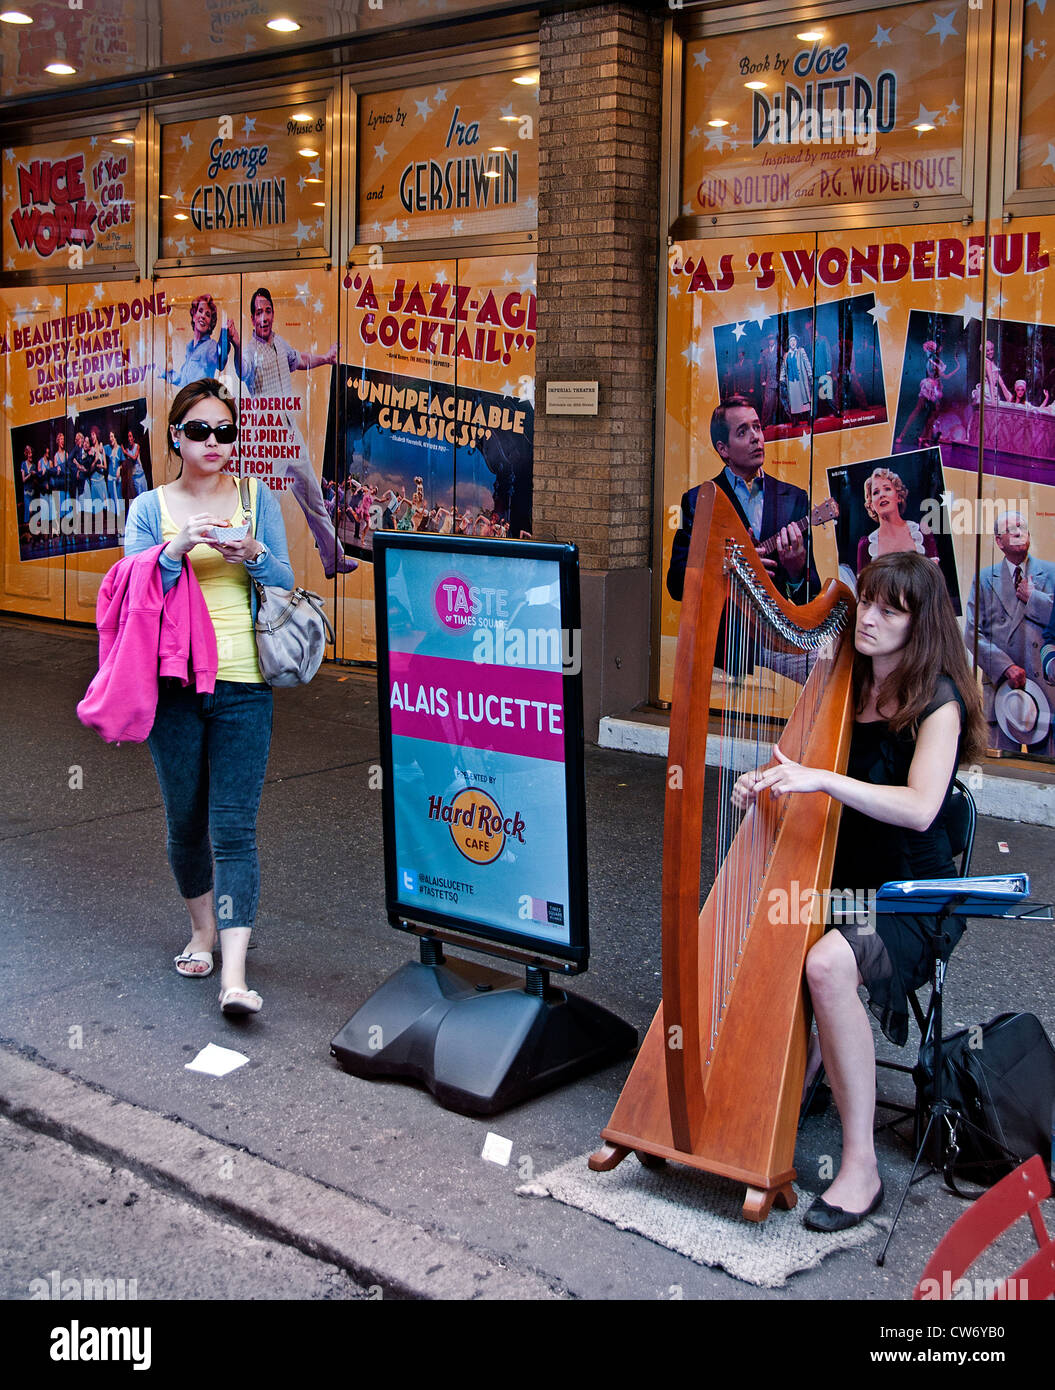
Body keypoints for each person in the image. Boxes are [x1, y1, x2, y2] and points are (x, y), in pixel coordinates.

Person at [734, 553, 986, 1229]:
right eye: (865, 603)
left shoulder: (937, 701)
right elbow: (799, 765)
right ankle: (800, 1072)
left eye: (887, 611)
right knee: (767, 924)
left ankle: (859, 1166)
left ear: (919, 624)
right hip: (842, 883)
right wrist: (759, 786)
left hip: (910, 895)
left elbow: (919, 808)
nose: (866, 619)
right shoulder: (841, 680)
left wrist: (822, 782)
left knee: (824, 962)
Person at [123, 378, 294, 1018]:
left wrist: (251, 551)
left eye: (226, 431)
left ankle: (235, 976)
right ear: (176, 436)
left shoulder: (257, 497)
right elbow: (131, 585)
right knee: (186, 821)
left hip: (244, 683)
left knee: (234, 827)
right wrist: (180, 545)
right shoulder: (150, 507)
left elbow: (283, 578)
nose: (215, 442)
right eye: (200, 431)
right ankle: (201, 931)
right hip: (172, 685)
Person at [239, 286, 357, 579]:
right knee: (267, 505)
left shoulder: (279, 343)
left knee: (314, 497)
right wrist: (233, 343)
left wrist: (326, 358)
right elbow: (241, 370)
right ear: (252, 319)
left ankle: (334, 559)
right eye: (258, 313)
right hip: (268, 438)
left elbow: (298, 360)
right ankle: (255, 569)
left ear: (272, 314)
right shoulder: (250, 351)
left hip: (290, 433)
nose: (264, 317)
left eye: (267, 311)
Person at [667, 396, 820, 604]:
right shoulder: (695, 501)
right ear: (723, 449)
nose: (755, 437)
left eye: (757, 427)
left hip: (773, 633)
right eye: (743, 432)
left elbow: (810, 597)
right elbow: (675, 584)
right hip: (723, 633)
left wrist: (797, 573)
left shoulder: (795, 498)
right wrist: (726, 567)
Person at [965, 510, 1055, 756]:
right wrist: (1005, 667)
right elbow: (972, 632)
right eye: (1011, 528)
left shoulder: (1051, 573)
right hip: (1002, 688)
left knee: (1047, 777)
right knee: (998, 768)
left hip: (1046, 691)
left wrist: (1033, 599)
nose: (1018, 531)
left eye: (1022, 526)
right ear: (998, 541)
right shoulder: (984, 578)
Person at [855, 467, 939, 575]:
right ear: (871, 505)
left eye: (887, 489)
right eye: (876, 492)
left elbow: (935, 582)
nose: (882, 495)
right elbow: (864, 590)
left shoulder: (922, 532)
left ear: (898, 497)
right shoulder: (866, 545)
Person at [163, 293, 240, 388]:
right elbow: (183, 380)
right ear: (194, 315)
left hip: (201, 399)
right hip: (188, 400)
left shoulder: (210, 345)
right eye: (200, 311)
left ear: (210, 323)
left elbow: (220, 362)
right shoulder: (190, 346)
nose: (203, 316)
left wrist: (224, 332)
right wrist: (162, 372)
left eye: (208, 315)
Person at [779, 333, 812, 421]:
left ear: (796, 342)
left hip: (800, 379)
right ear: (789, 343)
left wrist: (810, 374)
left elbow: (807, 363)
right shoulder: (786, 355)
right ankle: (795, 420)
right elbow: (783, 368)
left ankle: (808, 418)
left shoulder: (801, 351)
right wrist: (781, 378)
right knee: (794, 401)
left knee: (803, 398)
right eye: (791, 341)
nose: (793, 342)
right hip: (791, 381)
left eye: (794, 340)